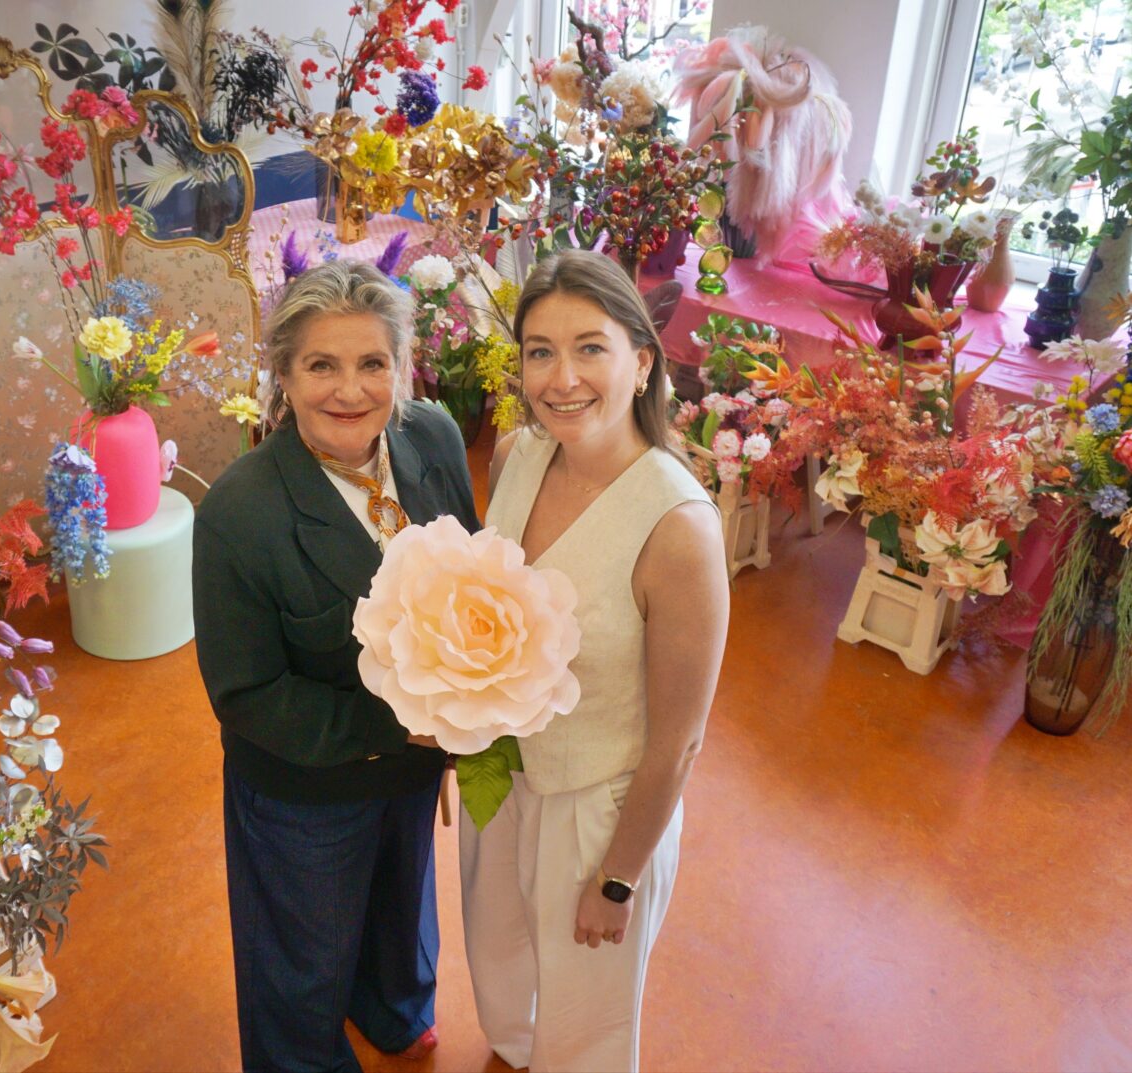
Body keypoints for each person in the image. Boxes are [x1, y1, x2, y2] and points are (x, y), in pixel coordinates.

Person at [193, 260, 481, 1073]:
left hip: (415, 768)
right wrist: (408, 726)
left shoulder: (434, 437)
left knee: (401, 902)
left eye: (372, 363)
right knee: (302, 953)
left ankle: (393, 1008)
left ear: (403, 365)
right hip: (305, 782)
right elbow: (247, 695)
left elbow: (473, 576)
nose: (350, 390)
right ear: (282, 374)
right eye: (321, 365)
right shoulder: (239, 512)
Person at [459, 249, 730, 1072]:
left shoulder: (678, 528)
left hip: (596, 808)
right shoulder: (518, 456)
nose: (561, 377)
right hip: (502, 776)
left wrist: (618, 879)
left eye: (590, 347)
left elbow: (678, 741)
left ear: (642, 360)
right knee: (500, 968)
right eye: (539, 350)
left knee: (586, 1024)